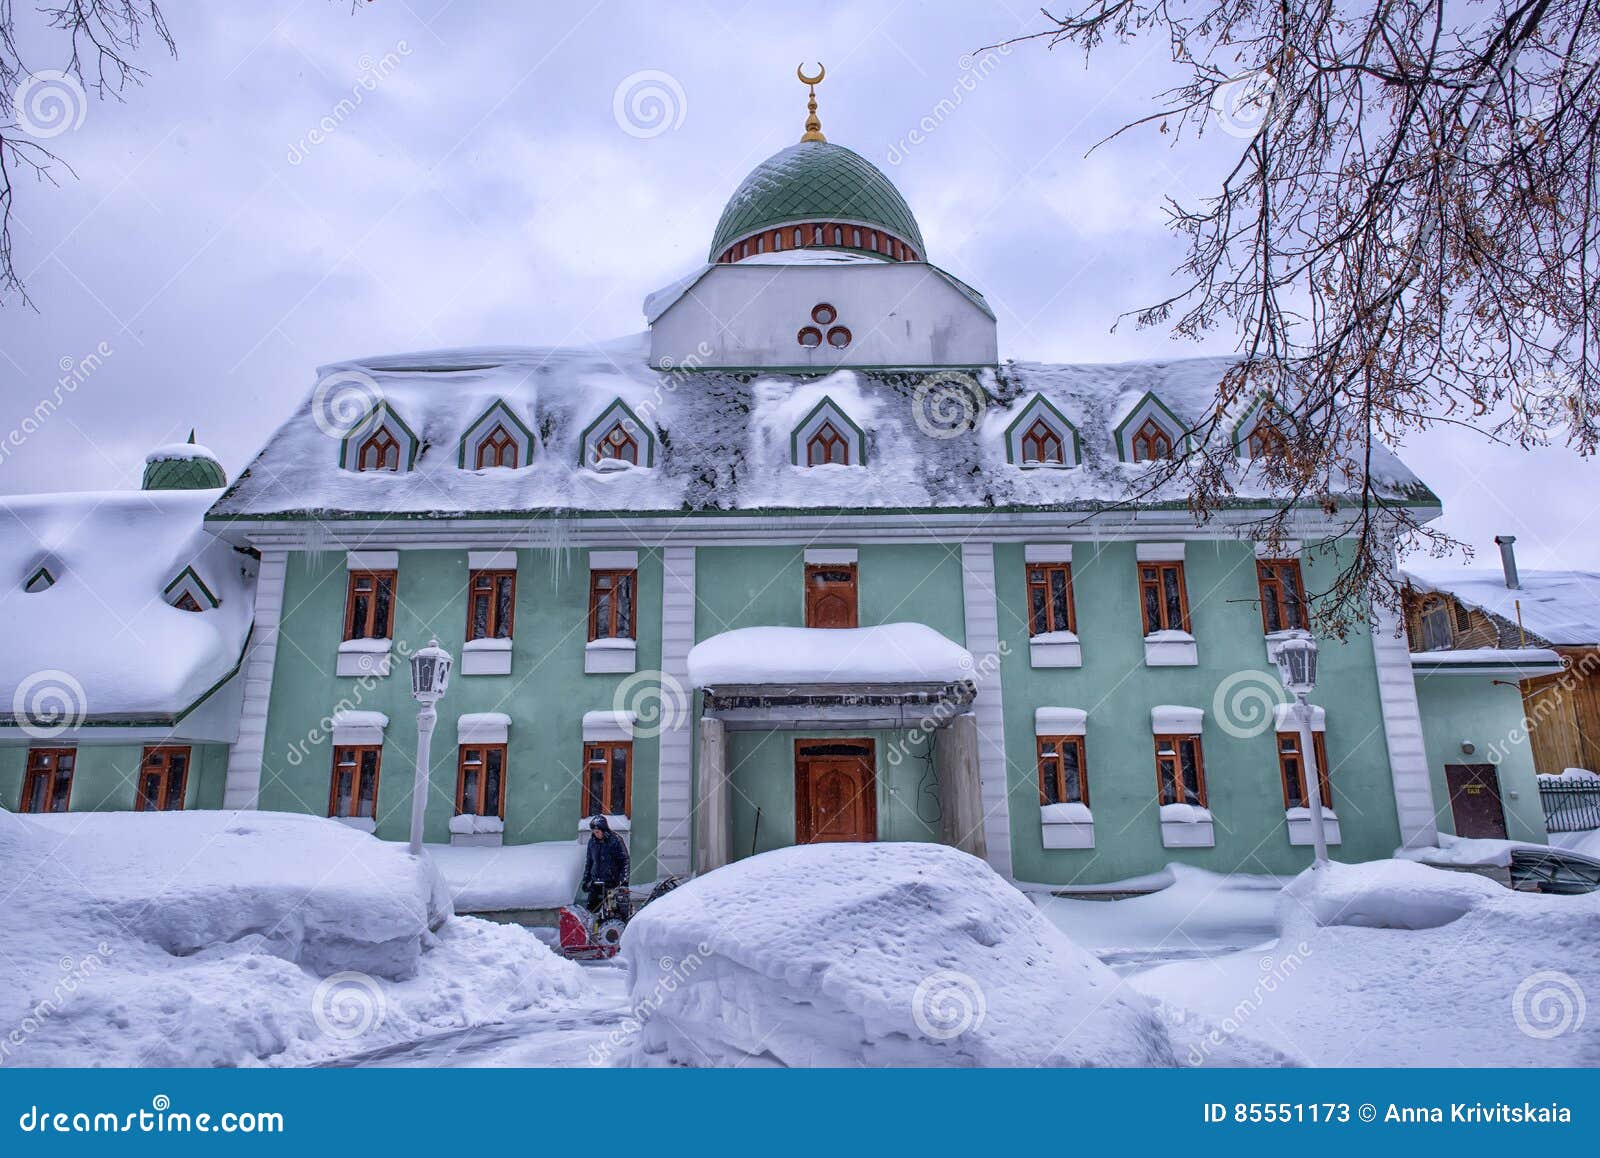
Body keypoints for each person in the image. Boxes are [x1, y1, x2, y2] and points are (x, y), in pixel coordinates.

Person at [580, 814, 631, 919]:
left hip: (612, 883)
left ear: (604, 830)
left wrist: (624, 881)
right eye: (594, 832)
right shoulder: (592, 842)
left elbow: (624, 861)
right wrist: (586, 880)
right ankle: (593, 931)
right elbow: (589, 862)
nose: (596, 834)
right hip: (596, 883)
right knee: (591, 912)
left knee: (613, 912)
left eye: (598, 832)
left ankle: (613, 931)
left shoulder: (616, 840)